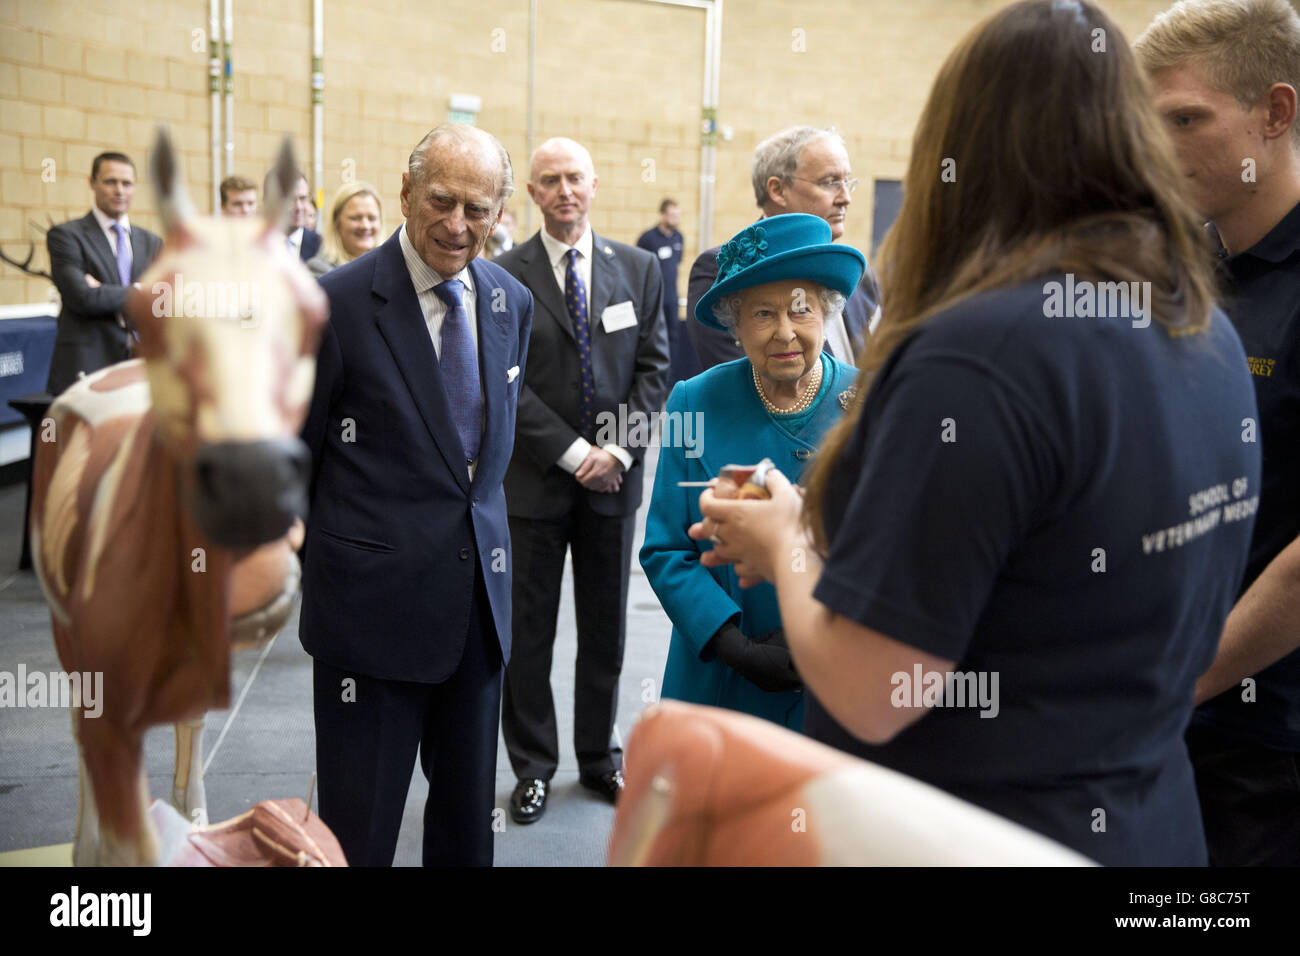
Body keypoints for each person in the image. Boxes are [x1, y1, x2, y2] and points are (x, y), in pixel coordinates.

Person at [691, 0, 1260, 867]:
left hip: (977, 831)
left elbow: (875, 688)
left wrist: (785, 547)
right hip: (1147, 820)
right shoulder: (1205, 330)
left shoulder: (980, 354)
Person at [299, 123, 533, 866]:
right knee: (359, 834)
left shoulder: (510, 303)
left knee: (468, 831)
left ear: (500, 212)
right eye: (440, 201)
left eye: (479, 208)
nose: (459, 225)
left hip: (477, 618)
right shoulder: (331, 305)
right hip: (369, 621)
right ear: (404, 192)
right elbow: (292, 458)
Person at [1136, 0, 1300, 866]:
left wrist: (1187, 681)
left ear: (1275, 114)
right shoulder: (1177, 274)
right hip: (1159, 717)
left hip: (1268, 740)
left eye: (1187, 120)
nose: (1159, 150)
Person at [494, 137, 670, 825]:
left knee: (606, 634)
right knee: (527, 637)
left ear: (594, 184)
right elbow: (504, 380)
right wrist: (573, 452)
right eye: (548, 181)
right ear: (532, 194)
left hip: (613, 486)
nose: (564, 190)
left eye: (574, 177)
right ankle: (532, 768)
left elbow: (654, 368)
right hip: (535, 486)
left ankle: (599, 759)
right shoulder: (503, 275)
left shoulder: (639, 268)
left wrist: (618, 453)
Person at [640, 213, 863, 730]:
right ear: (735, 325)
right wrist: (728, 640)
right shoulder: (693, 401)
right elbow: (665, 548)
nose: (785, 332)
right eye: (763, 314)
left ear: (825, 312)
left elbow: (894, 552)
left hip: (835, 672)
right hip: (720, 676)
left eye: (801, 309)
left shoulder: (870, 404)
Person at [685, 127, 881, 371]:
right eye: (830, 182)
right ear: (777, 190)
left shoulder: (860, 277)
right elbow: (746, 391)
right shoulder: (724, 271)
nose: (845, 198)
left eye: (847, 182)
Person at [45, 151, 163, 396]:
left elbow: (164, 301)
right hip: (86, 368)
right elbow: (82, 298)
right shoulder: (66, 236)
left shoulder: (151, 242)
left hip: (141, 368)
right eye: (111, 182)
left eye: (126, 183)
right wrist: (142, 291)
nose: (119, 190)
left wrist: (104, 292)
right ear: (92, 183)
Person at [637, 198, 697, 384]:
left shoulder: (678, 237)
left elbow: (676, 264)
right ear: (662, 215)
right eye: (672, 215)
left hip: (671, 297)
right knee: (652, 338)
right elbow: (638, 268)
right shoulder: (648, 238)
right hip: (652, 298)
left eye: (678, 216)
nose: (675, 219)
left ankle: (668, 383)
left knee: (673, 338)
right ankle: (650, 380)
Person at [305, 182, 384, 278]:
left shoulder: (389, 266)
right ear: (336, 221)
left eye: (372, 218)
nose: (365, 226)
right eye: (356, 218)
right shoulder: (319, 270)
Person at [264, 168, 321, 261]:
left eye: (302, 198)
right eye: (290, 199)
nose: (299, 207)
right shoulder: (253, 246)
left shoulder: (321, 247)